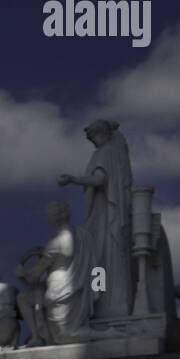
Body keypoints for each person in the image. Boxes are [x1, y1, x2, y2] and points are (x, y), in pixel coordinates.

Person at [59, 119, 133, 320]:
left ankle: (100, 301)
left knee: (98, 259)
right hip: (108, 213)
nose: (92, 143)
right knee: (104, 260)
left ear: (100, 134)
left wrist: (72, 179)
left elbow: (100, 180)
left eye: (92, 138)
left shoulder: (104, 153)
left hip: (105, 215)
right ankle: (104, 299)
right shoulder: (117, 154)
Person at [15, 200, 95, 345]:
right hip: (77, 288)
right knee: (65, 334)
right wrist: (98, 290)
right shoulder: (84, 236)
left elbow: (35, 273)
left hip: (58, 288)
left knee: (64, 336)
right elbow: (97, 266)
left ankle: (36, 337)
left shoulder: (55, 244)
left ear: (51, 218)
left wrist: (22, 272)